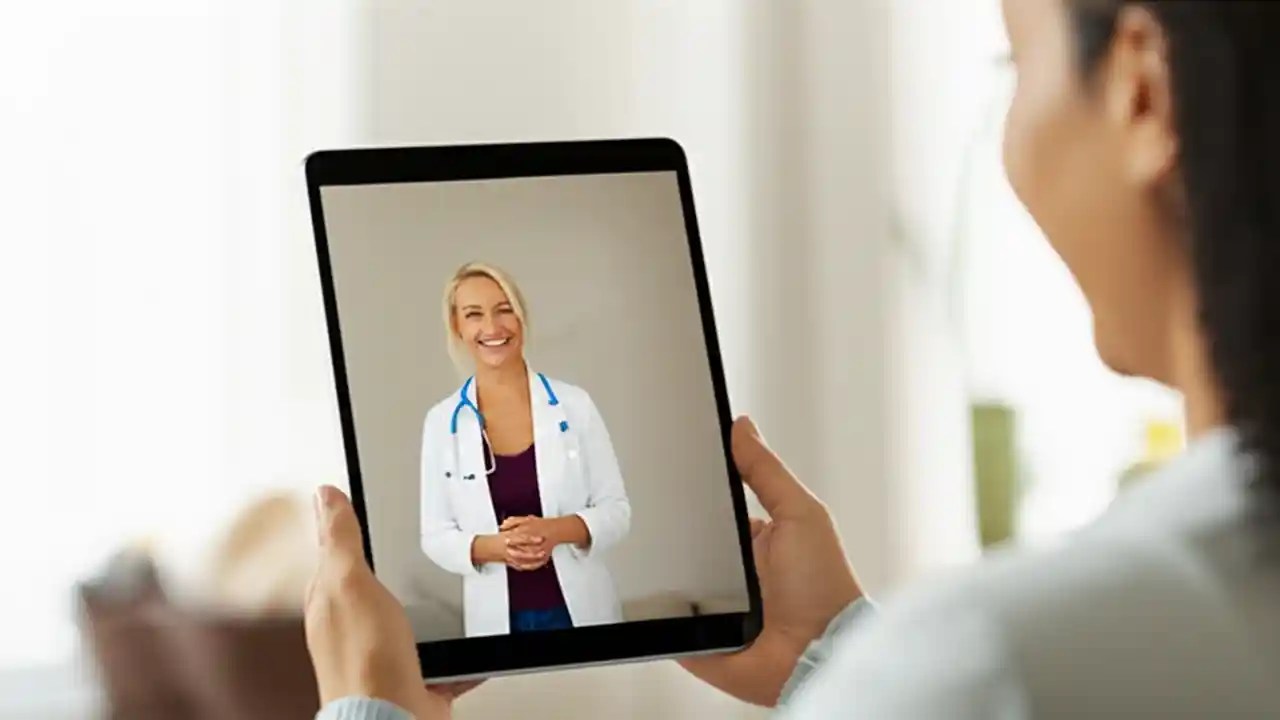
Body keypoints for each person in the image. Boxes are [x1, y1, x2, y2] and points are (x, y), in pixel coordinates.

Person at [305, 1, 1280, 717]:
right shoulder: (990, 667)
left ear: (1141, 91)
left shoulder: (995, 666)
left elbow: (612, 511)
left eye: (1009, 63)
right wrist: (835, 653)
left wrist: (367, 709)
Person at [418, 261, 631, 639]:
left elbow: (616, 511)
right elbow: (435, 536)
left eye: (504, 310)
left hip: (581, 614)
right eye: (474, 315)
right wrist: (495, 548)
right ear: (458, 327)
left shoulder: (573, 405)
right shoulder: (441, 422)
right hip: (497, 624)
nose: (492, 327)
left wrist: (555, 531)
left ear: (521, 317)